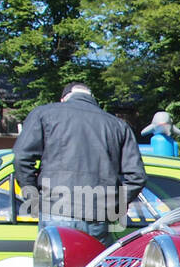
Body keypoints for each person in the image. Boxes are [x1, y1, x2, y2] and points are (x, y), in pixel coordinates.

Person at [14, 82, 146, 248]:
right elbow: (137, 177)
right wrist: (114, 205)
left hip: (55, 209)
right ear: (92, 98)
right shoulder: (118, 126)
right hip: (99, 214)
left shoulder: (44, 114)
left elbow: (21, 158)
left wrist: (33, 197)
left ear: (63, 99)